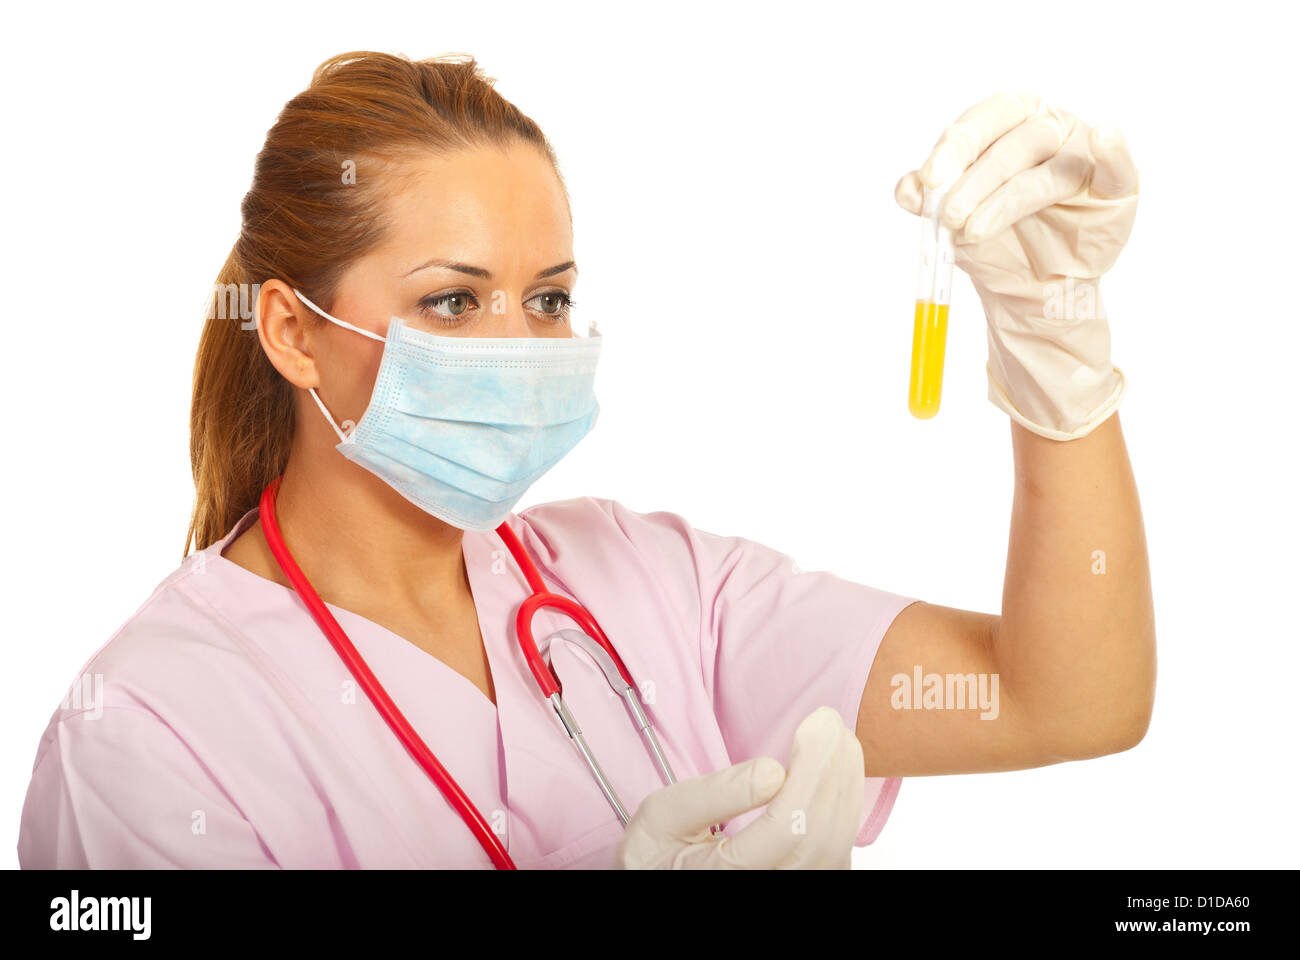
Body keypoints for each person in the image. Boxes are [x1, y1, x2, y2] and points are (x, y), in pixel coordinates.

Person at [17, 53, 1154, 869]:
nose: (520, 350)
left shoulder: (647, 586)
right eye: (454, 302)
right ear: (294, 330)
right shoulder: (152, 728)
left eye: (549, 298)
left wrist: (1054, 349)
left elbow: (1063, 698)